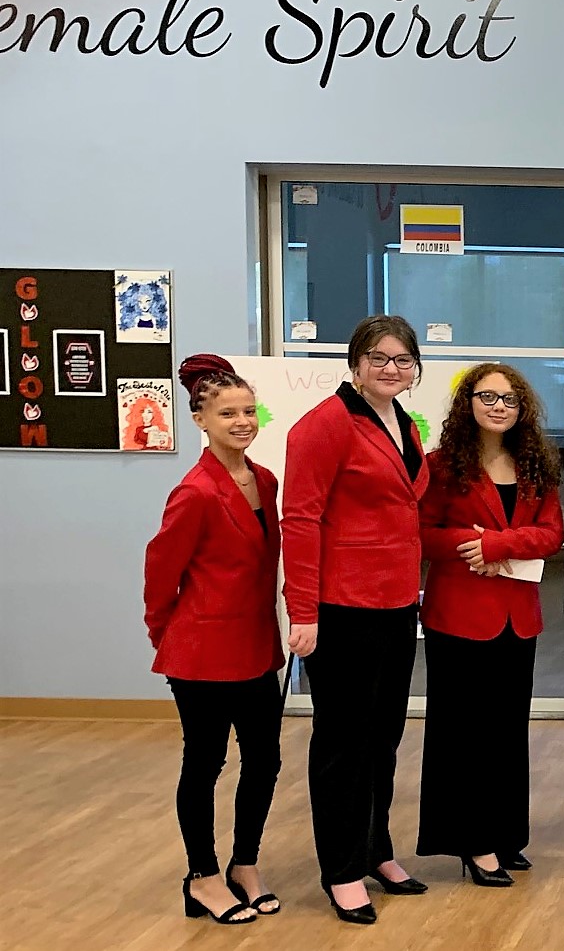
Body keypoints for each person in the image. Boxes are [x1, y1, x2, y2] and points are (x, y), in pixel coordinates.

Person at [282, 315, 431, 925]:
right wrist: (303, 612)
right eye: (379, 357)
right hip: (343, 609)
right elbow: (300, 520)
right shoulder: (323, 426)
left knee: (384, 739)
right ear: (355, 362)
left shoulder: (402, 423)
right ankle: (341, 868)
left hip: (397, 604)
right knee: (344, 744)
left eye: (402, 359)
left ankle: (376, 849)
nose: (391, 368)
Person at [144, 355, 284, 926]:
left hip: (255, 644)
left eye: (249, 410)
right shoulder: (195, 492)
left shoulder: (265, 480)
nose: (243, 421)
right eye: (228, 413)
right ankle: (202, 875)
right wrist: (167, 636)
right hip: (200, 653)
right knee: (205, 764)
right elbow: (160, 574)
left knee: (266, 760)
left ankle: (244, 864)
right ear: (201, 420)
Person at [417, 364, 564, 886]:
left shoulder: (535, 467)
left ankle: (504, 834)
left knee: (506, 732)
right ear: (468, 403)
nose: (499, 406)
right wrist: (468, 545)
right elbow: (422, 534)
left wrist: (497, 544)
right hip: (457, 617)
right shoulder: (440, 466)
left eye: (510, 399)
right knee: (463, 734)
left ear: (522, 409)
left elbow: (551, 534)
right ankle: (472, 841)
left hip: (517, 619)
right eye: (488, 397)